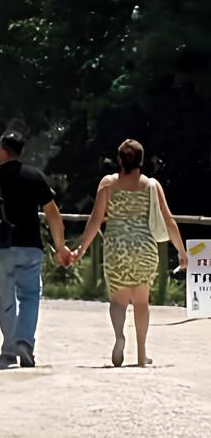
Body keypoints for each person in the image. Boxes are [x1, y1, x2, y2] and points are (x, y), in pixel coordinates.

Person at [71, 139, 187, 367]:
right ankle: (142, 354)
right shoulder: (151, 185)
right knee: (142, 301)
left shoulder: (108, 184)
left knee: (118, 299)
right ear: (142, 160)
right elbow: (169, 220)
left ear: (118, 160)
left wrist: (80, 248)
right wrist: (181, 250)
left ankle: (119, 337)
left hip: (116, 246)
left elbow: (95, 221)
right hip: (144, 246)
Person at [0, 130, 71, 368]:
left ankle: (8, 350)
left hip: (2, 247)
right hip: (30, 246)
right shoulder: (34, 176)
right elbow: (53, 214)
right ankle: (24, 342)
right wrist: (60, 247)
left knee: (6, 297)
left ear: (1, 150)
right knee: (29, 296)